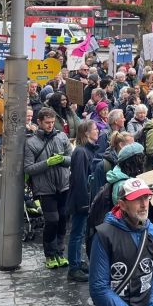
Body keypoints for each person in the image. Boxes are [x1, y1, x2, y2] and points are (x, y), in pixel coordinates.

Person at [89, 177, 153, 306]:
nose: (143, 205)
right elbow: (99, 288)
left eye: (146, 198)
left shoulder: (152, 231)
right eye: (137, 200)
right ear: (122, 205)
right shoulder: (104, 235)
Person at [24, 107, 74, 269]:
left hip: (64, 185)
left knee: (63, 219)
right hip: (45, 188)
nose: (50, 125)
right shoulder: (31, 142)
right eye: (47, 123)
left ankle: (59, 251)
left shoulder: (61, 136)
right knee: (52, 220)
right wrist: (47, 163)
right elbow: (28, 169)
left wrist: (62, 160)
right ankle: (50, 254)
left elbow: (72, 158)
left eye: (52, 122)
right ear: (39, 122)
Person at [68, 119, 101, 282]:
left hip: (85, 199)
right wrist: (84, 203)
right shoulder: (81, 152)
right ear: (86, 133)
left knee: (80, 233)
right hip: (81, 200)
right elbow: (80, 180)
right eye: (95, 129)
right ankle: (73, 268)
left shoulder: (88, 150)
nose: (98, 131)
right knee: (76, 233)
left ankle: (77, 262)